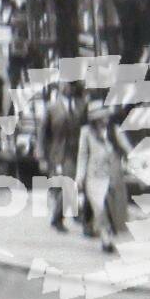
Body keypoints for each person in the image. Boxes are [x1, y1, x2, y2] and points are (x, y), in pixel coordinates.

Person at [77, 99, 131, 253]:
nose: (104, 119)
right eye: (100, 117)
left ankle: (108, 234)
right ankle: (105, 238)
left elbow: (128, 148)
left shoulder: (114, 131)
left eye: (106, 116)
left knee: (110, 210)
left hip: (112, 176)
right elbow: (82, 155)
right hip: (93, 176)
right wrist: (79, 176)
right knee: (99, 208)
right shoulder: (86, 132)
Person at [38, 82, 85, 232]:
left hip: (76, 151)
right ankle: (60, 217)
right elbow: (42, 134)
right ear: (60, 87)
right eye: (66, 85)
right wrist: (41, 156)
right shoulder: (52, 108)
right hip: (57, 153)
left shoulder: (81, 106)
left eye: (72, 86)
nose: (69, 88)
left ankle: (70, 214)